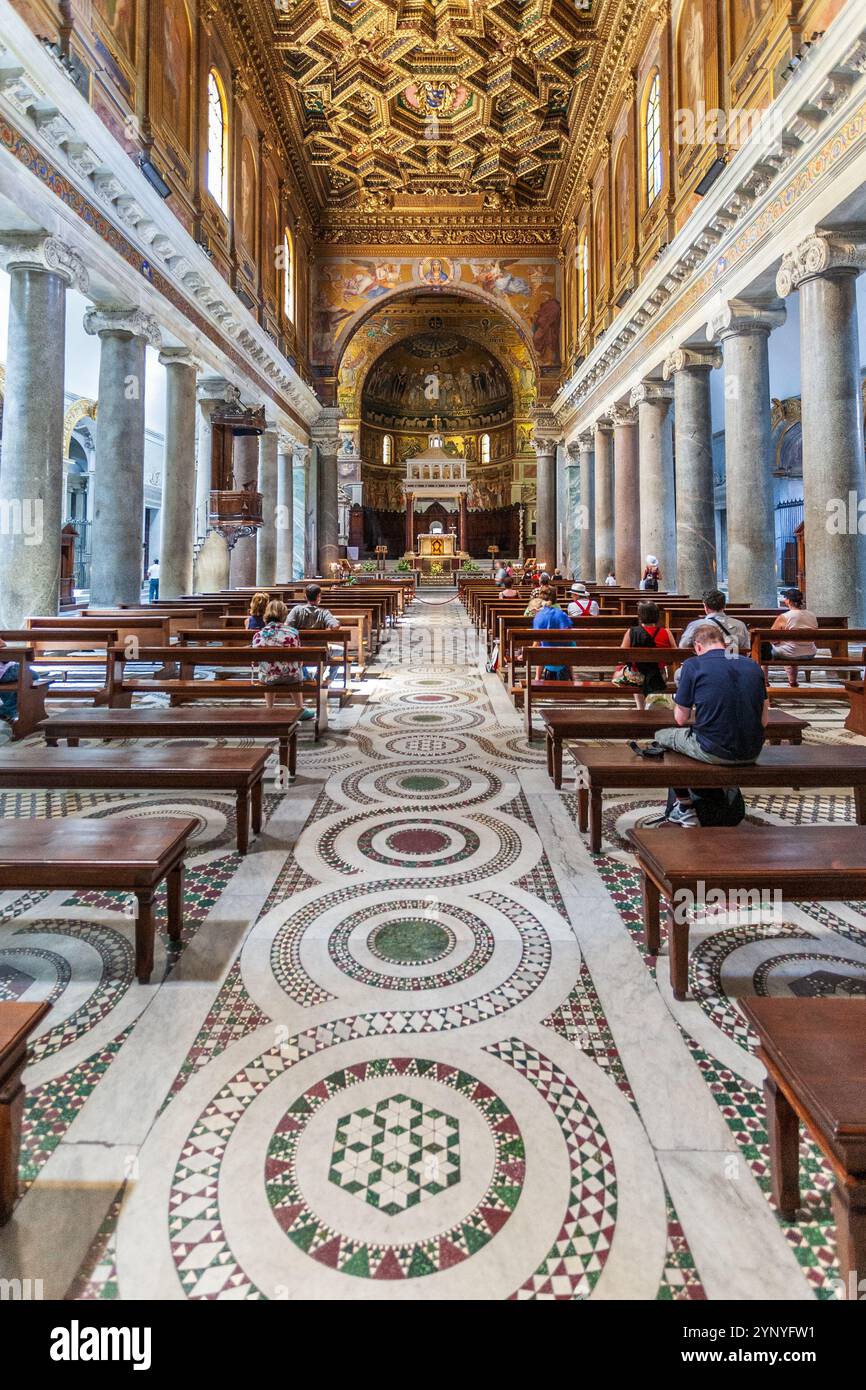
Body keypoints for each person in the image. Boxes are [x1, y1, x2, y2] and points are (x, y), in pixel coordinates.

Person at [656, 622, 769, 826]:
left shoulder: (693, 665)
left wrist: (680, 699)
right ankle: (723, 794)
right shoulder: (752, 665)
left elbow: (680, 719)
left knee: (663, 737)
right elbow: (764, 720)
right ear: (723, 643)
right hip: (752, 750)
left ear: (698, 646)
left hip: (714, 749)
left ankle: (685, 805)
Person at [251, 600, 313, 719]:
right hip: (292, 677)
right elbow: (300, 659)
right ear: (284, 615)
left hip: (268, 677)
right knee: (294, 669)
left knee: (268, 668)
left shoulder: (259, 635)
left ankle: (269, 708)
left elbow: (255, 660)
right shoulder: (293, 633)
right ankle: (300, 709)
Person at [619, 601, 675, 711]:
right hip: (659, 675)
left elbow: (622, 653)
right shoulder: (666, 632)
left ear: (640, 616)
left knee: (623, 673)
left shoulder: (632, 632)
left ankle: (640, 708)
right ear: (657, 616)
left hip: (637, 676)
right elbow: (675, 653)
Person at [762, 588, 818, 687]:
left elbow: (771, 637)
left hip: (790, 653)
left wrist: (778, 642)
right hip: (810, 653)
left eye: (785, 597)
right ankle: (793, 682)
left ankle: (764, 682)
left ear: (789, 601)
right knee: (790, 646)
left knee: (762, 648)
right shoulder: (812, 615)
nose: (784, 599)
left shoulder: (784, 617)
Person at [680, 589, 750, 655]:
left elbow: (683, 646)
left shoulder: (696, 625)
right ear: (724, 606)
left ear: (705, 607)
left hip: (705, 662)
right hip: (733, 662)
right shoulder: (740, 625)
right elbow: (746, 649)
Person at [532, 585, 573, 679]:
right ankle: (572, 676)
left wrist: (526, 653)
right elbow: (569, 635)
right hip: (564, 652)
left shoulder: (539, 616)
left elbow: (536, 641)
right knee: (569, 644)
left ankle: (537, 677)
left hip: (546, 652)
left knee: (541, 646)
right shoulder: (562, 614)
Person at [0, 638, 19, 735]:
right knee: (33, 676)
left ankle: (10, 712)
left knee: (12, 684)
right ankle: (5, 710)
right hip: (4, 672)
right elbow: (5, 655)